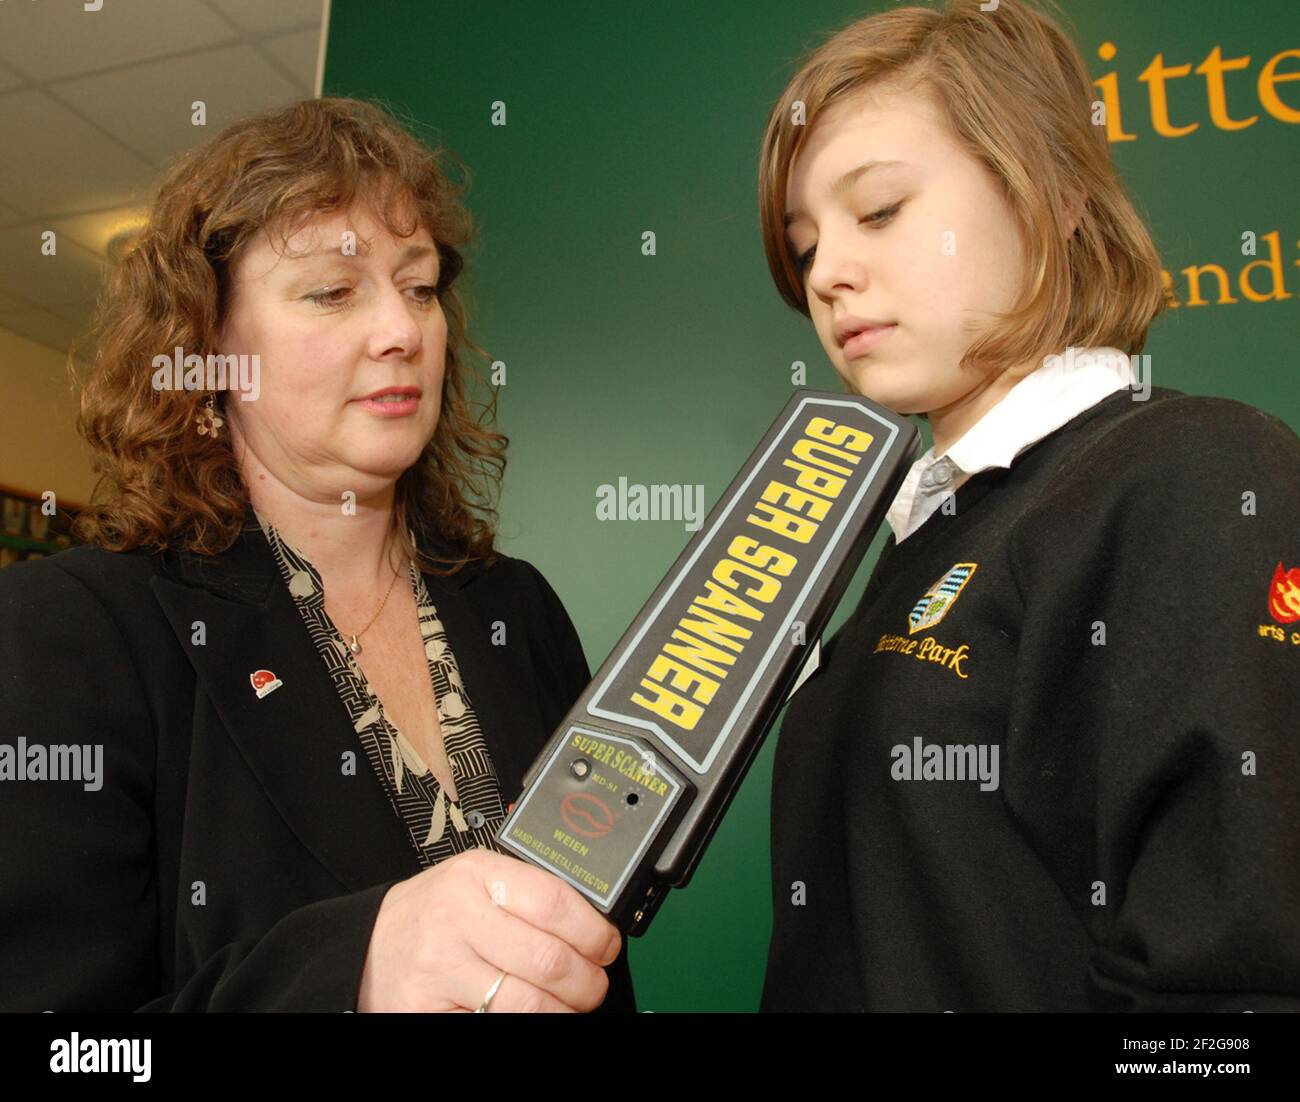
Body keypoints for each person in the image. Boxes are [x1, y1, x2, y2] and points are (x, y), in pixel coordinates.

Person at [0, 97, 635, 1013]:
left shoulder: (516, 610)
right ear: (210, 347)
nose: (402, 331)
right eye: (334, 292)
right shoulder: (70, 633)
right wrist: (354, 974)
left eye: (418, 287)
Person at [756, 0, 1300, 1011]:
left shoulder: (1195, 470)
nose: (827, 273)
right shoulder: (925, 528)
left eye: (878, 210)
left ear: (1051, 195)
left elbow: (1234, 1001)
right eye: (802, 243)